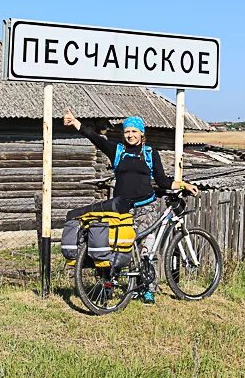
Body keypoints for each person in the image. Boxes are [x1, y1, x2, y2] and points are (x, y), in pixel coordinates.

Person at [63, 109, 198, 304]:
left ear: (142, 134)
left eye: (134, 131)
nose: (130, 135)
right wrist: (75, 123)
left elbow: (162, 180)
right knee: (115, 248)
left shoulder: (151, 154)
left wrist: (184, 184)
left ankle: (148, 289)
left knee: (147, 250)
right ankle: (108, 285)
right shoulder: (117, 151)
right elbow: (95, 138)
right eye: (127, 131)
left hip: (146, 208)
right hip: (120, 210)